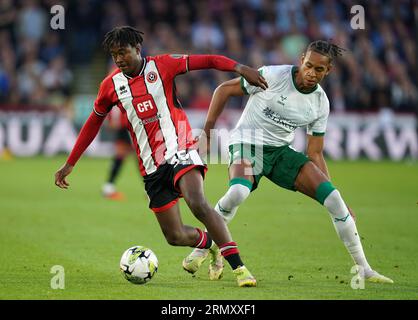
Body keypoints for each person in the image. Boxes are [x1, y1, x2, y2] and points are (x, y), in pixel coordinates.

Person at [54, 26, 268, 287]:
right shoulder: (110, 85)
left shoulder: (163, 65)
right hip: (150, 166)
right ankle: (209, 244)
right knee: (175, 236)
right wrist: (70, 163)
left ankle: (240, 269)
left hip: (181, 149)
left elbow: (209, 60)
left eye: (123, 52)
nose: (119, 59)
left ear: (138, 50)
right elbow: (93, 123)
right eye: (114, 55)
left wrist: (240, 68)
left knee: (198, 203)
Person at [183, 40, 394, 284]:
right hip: (247, 143)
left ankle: (364, 269)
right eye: (308, 66)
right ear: (301, 60)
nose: (311, 73)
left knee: (336, 200)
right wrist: (208, 132)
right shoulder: (272, 75)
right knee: (238, 192)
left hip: (281, 152)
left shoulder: (320, 103)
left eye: (319, 69)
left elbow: (315, 153)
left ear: (329, 71)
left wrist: (339, 198)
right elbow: (224, 90)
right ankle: (204, 248)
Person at [101, 107, 133, 201]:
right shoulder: (118, 104)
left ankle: (108, 187)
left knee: (122, 158)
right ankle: (108, 187)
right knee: (121, 157)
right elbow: (112, 123)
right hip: (125, 130)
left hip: (128, 129)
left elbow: (111, 123)